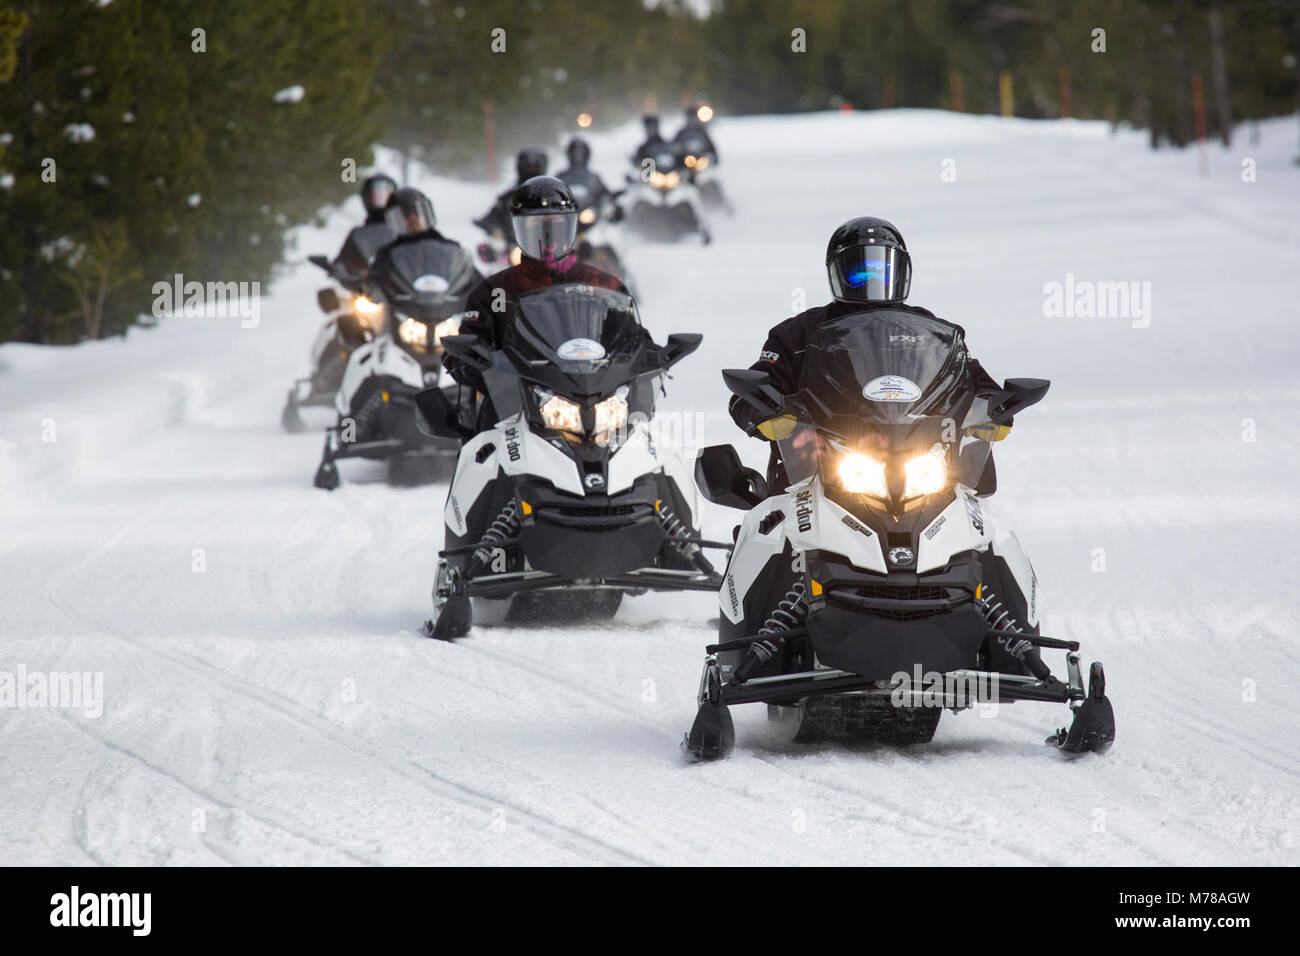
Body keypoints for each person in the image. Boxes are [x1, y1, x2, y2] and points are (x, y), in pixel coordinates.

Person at [729, 217, 1008, 490]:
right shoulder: (797, 334)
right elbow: (748, 394)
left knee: (986, 525)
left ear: (901, 272)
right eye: (858, 272)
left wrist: (995, 408)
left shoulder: (934, 335)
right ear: (836, 274)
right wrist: (768, 413)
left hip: (922, 464)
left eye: (881, 270)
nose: (871, 280)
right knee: (768, 527)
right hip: (816, 472)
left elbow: (973, 380)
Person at [446, 176, 639, 412]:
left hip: (596, 400)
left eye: (556, 225)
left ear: (571, 227)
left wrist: (652, 356)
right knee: (480, 440)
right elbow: (468, 343)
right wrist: (471, 363)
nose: (547, 237)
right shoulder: (494, 291)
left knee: (641, 439)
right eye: (536, 227)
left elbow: (633, 339)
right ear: (518, 229)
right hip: (515, 406)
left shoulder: (601, 284)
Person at [473, 147, 549, 245]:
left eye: (535, 167)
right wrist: (495, 233)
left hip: (550, 247)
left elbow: (568, 218)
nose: (531, 171)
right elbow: (489, 220)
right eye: (528, 168)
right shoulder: (508, 199)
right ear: (520, 168)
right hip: (515, 248)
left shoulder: (553, 197)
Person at [331, 173, 397, 278]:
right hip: (366, 287)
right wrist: (337, 268)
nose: (382, 202)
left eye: (386, 197)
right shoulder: (358, 235)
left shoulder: (403, 233)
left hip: (400, 285)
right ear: (367, 197)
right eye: (377, 197)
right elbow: (343, 260)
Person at [555, 136, 615, 218]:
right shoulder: (560, 177)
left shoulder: (594, 177)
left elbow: (605, 194)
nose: (578, 157)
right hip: (564, 216)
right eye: (575, 154)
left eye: (581, 154)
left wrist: (610, 201)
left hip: (589, 215)